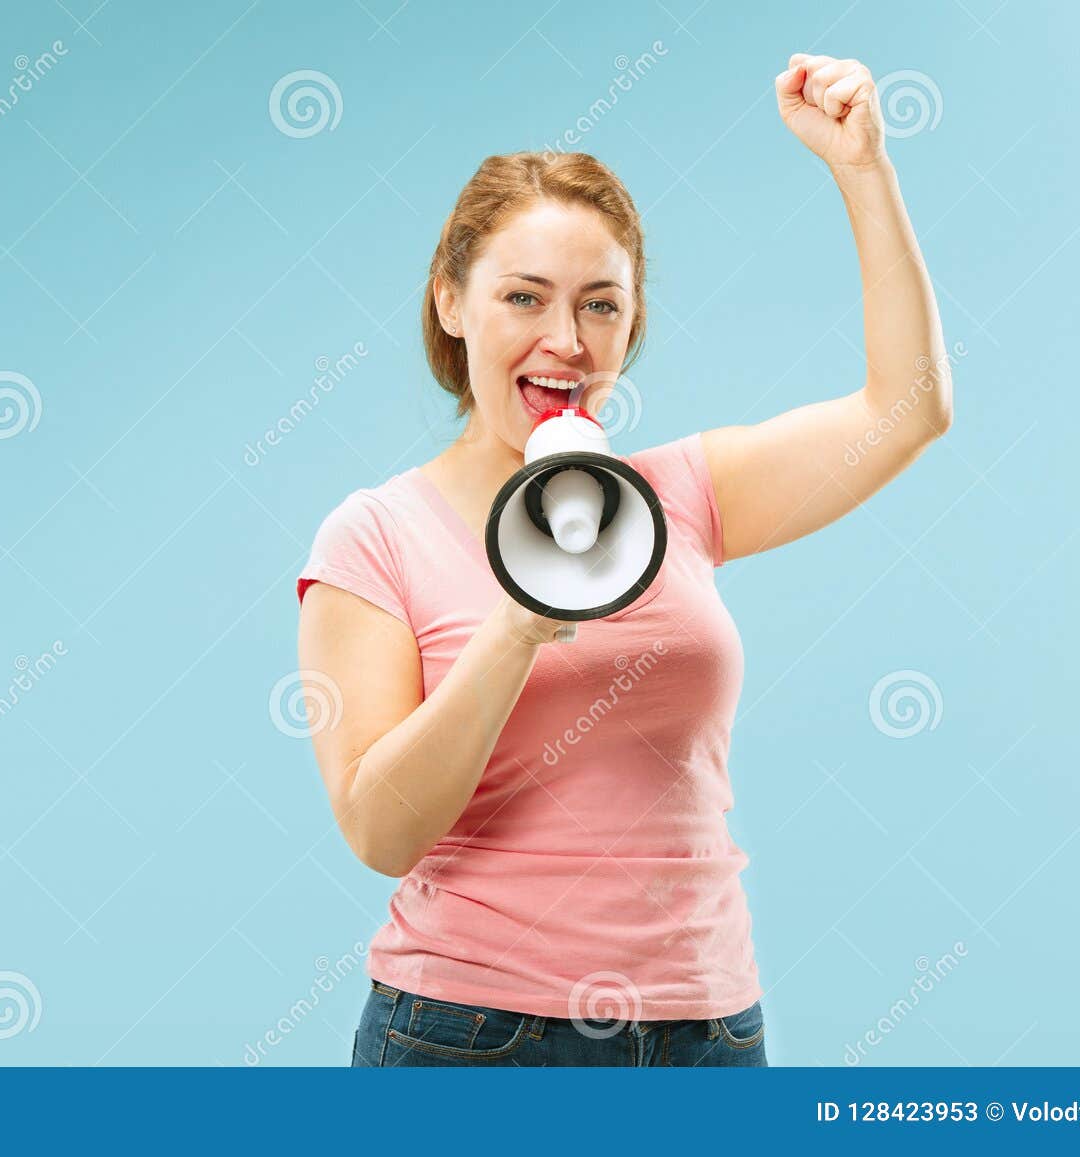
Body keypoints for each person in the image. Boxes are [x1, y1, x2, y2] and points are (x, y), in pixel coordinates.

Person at [294, 54, 953, 1066]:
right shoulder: (374, 535)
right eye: (523, 296)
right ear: (450, 301)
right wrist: (517, 622)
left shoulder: (683, 494)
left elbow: (906, 411)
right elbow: (380, 829)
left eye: (600, 305)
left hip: (707, 1031)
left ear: (631, 323)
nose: (564, 339)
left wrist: (862, 169)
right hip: (473, 1040)